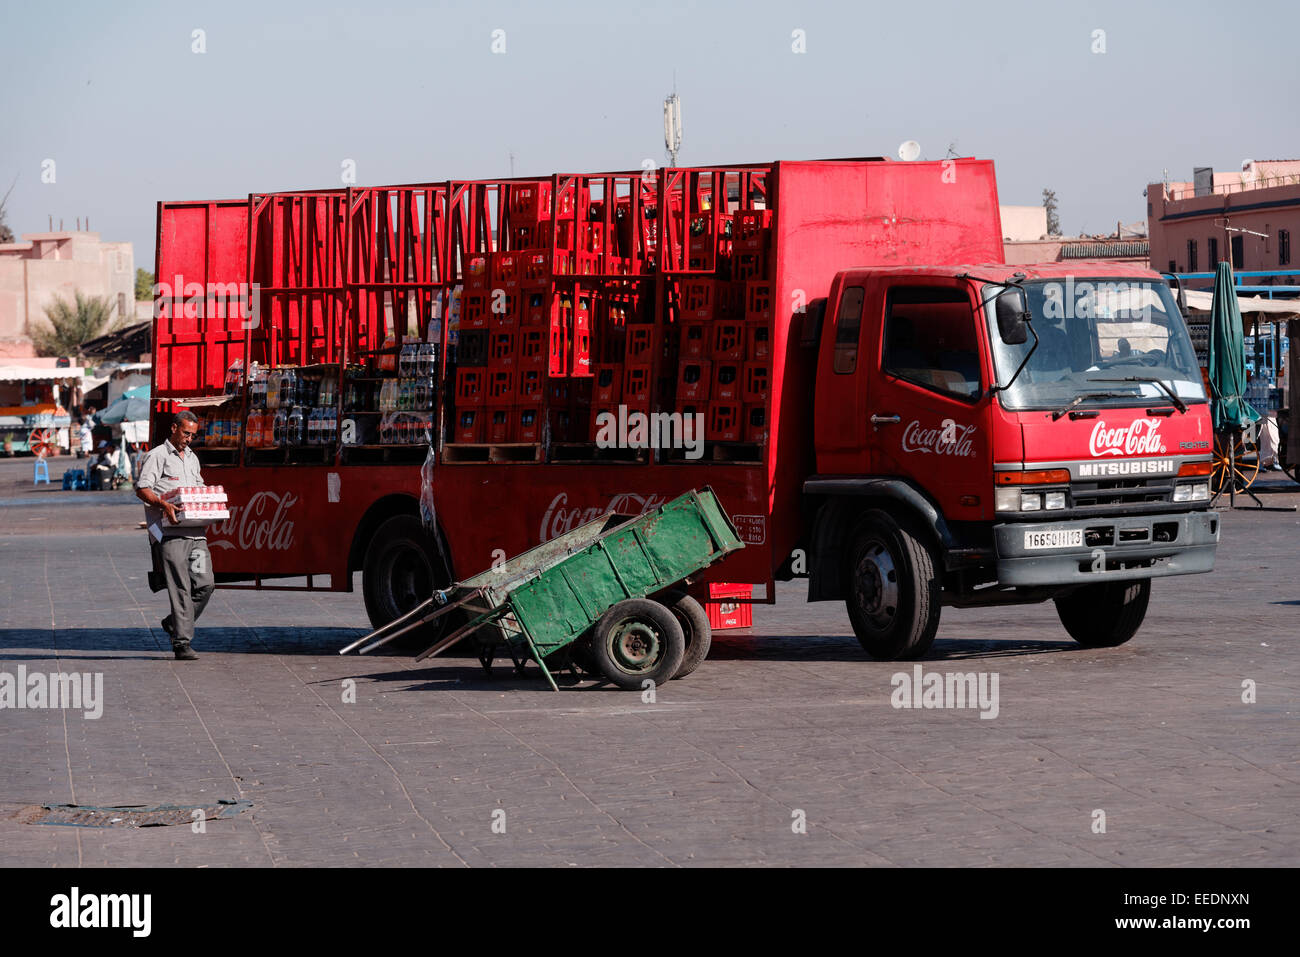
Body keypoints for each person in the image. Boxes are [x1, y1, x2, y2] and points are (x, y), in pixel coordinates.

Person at [134, 411, 213, 660]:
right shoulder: (157, 456)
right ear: (174, 428)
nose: (189, 439)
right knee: (180, 588)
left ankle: (173, 623)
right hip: (171, 535)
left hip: (197, 535)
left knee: (205, 584)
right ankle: (182, 643)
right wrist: (163, 504)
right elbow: (142, 489)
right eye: (186, 433)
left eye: (193, 435)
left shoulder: (192, 458)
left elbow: (198, 488)